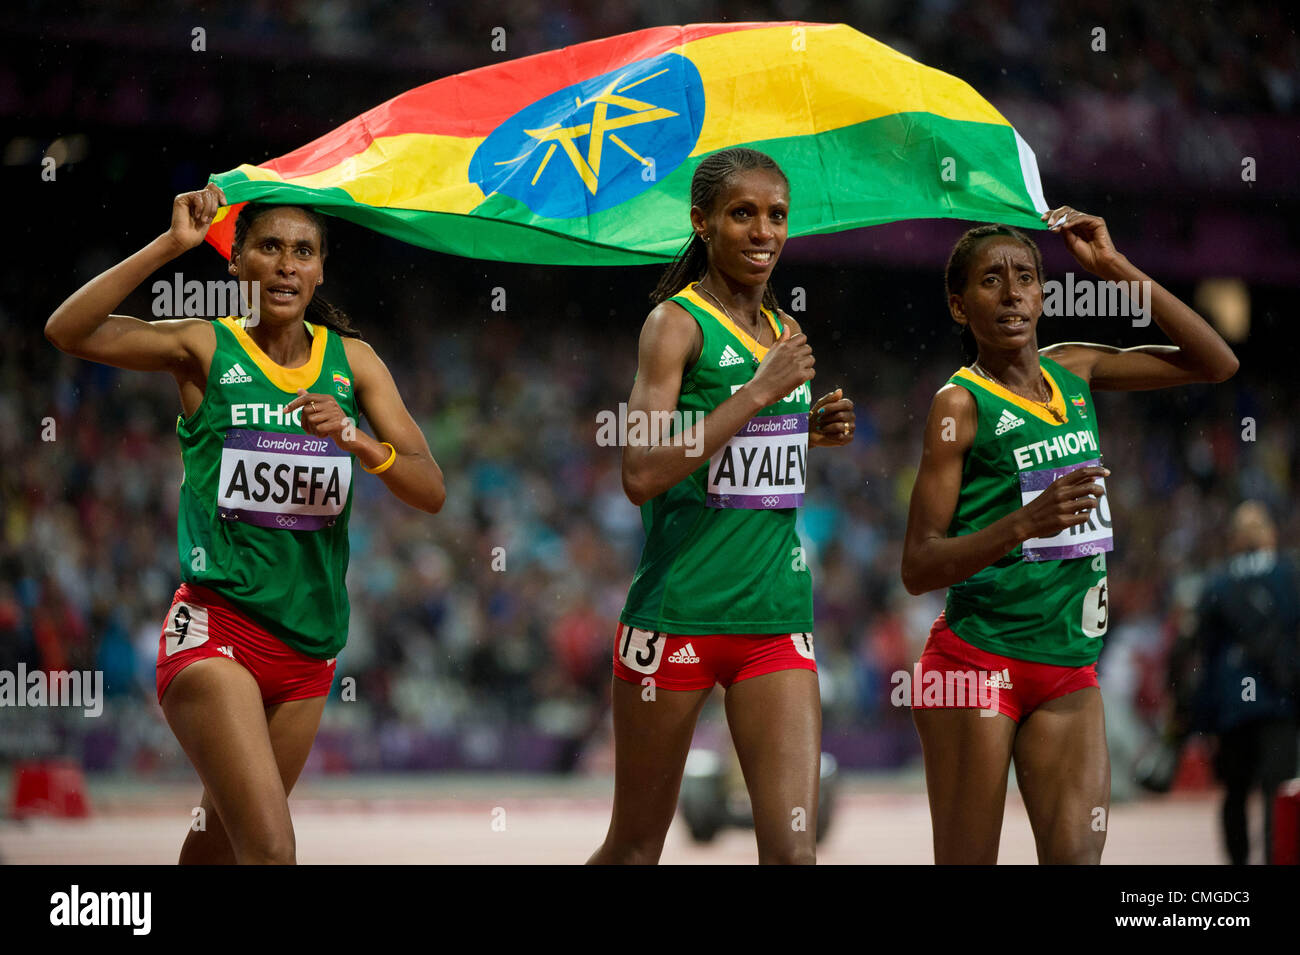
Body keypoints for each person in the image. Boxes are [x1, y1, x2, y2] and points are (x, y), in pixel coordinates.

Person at [45, 183, 446, 863]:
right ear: (238, 262)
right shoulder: (205, 347)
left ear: (321, 268)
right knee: (271, 849)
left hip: (309, 653)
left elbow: (430, 486)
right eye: (269, 247)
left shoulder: (355, 362)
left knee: (219, 846)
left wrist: (356, 438)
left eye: (303, 251)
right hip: (216, 631)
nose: (287, 264)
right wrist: (172, 245)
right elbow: (68, 330)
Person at [900, 207, 1238, 864]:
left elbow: (1215, 359)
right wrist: (1025, 522)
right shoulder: (960, 404)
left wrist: (1111, 266)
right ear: (958, 304)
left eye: (1025, 276)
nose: (1011, 292)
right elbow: (918, 565)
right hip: (976, 661)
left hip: (1068, 668)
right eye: (991, 280)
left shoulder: (1076, 367)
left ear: (1044, 293)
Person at [587, 148, 855, 865]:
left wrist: (804, 430)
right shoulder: (674, 326)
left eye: (776, 215)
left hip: (774, 618)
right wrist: (759, 395)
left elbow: (742, 459)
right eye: (743, 213)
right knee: (637, 845)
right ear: (702, 222)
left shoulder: (784, 332)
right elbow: (641, 469)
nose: (763, 230)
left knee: (795, 852)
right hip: (677, 616)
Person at [1176, 501, 1300, 863]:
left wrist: (1199, 709)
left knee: (1234, 791)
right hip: (1279, 696)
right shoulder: (1288, 573)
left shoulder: (1217, 581)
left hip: (1232, 704)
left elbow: (1202, 649)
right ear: (1269, 535)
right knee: (1276, 791)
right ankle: (1277, 858)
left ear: (1234, 538)